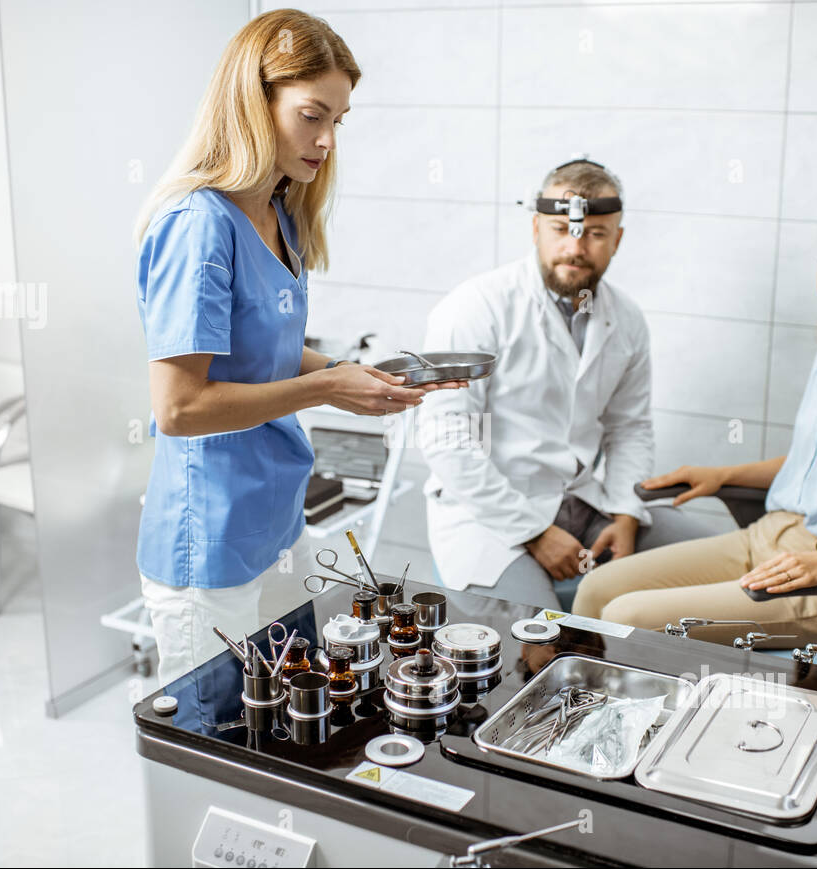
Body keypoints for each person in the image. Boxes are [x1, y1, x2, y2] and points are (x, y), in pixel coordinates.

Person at [132, 10, 459, 686]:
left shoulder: (279, 212)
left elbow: (268, 349)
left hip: (277, 521)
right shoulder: (199, 226)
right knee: (216, 742)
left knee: (297, 710)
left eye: (338, 121)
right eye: (313, 116)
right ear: (255, 100)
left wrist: (352, 373)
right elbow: (180, 407)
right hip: (211, 541)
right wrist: (329, 388)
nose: (327, 141)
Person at [572, 199, 817, 647]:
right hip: (768, 536)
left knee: (625, 616)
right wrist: (723, 475)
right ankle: (590, 713)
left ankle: (648, 715)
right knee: (596, 588)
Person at [415, 159, 719, 611]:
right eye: (561, 229)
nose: (575, 246)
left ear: (618, 238)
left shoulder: (627, 318)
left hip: (583, 502)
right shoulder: (475, 308)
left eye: (596, 233)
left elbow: (628, 427)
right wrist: (532, 532)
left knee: (723, 567)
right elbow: (447, 439)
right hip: (488, 516)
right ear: (536, 228)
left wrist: (625, 513)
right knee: (541, 639)